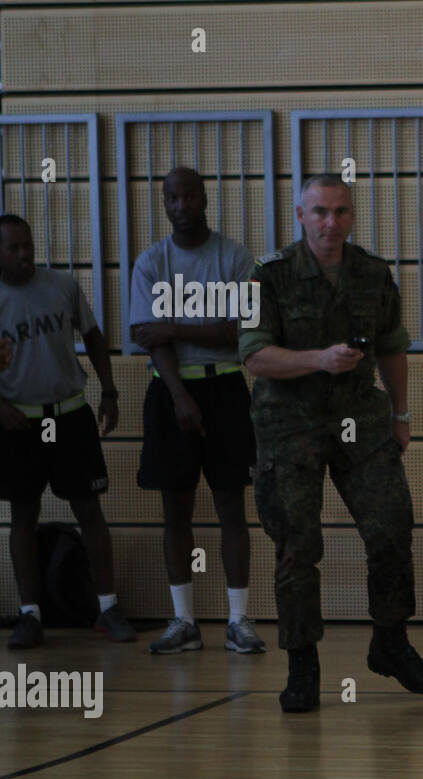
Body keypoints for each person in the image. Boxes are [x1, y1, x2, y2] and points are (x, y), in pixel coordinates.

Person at [239, 173, 423, 713]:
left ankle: (390, 642)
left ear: (352, 217)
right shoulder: (267, 277)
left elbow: (393, 348)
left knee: (393, 525)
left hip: (361, 419)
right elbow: (255, 357)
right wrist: (318, 360)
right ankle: (302, 663)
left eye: (341, 212)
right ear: (301, 217)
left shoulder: (373, 275)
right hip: (289, 426)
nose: (332, 222)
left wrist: (401, 414)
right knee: (298, 546)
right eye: (321, 212)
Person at [128, 167, 264, 655]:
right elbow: (148, 337)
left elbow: (240, 331)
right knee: (175, 509)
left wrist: (176, 328)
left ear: (204, 198)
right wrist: (180, 396)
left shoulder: (234, 257)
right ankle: (184, 621)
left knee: (232, 506)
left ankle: (239, 619)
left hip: (226, 389)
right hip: (170, 392)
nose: (180, 203)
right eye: (171, 196)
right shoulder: (151, 263)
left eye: (188, 194)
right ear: (164, 204)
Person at [0, 214, 137, 648]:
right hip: (20, 421)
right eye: (14, 248)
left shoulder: (61, 285)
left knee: (89, 510)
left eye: (28, 245)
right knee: (23, 516)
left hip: (70, 414)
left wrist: (110, 390)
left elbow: (93, 336)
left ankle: (108, 607)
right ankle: (30, 615)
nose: (24, 254)